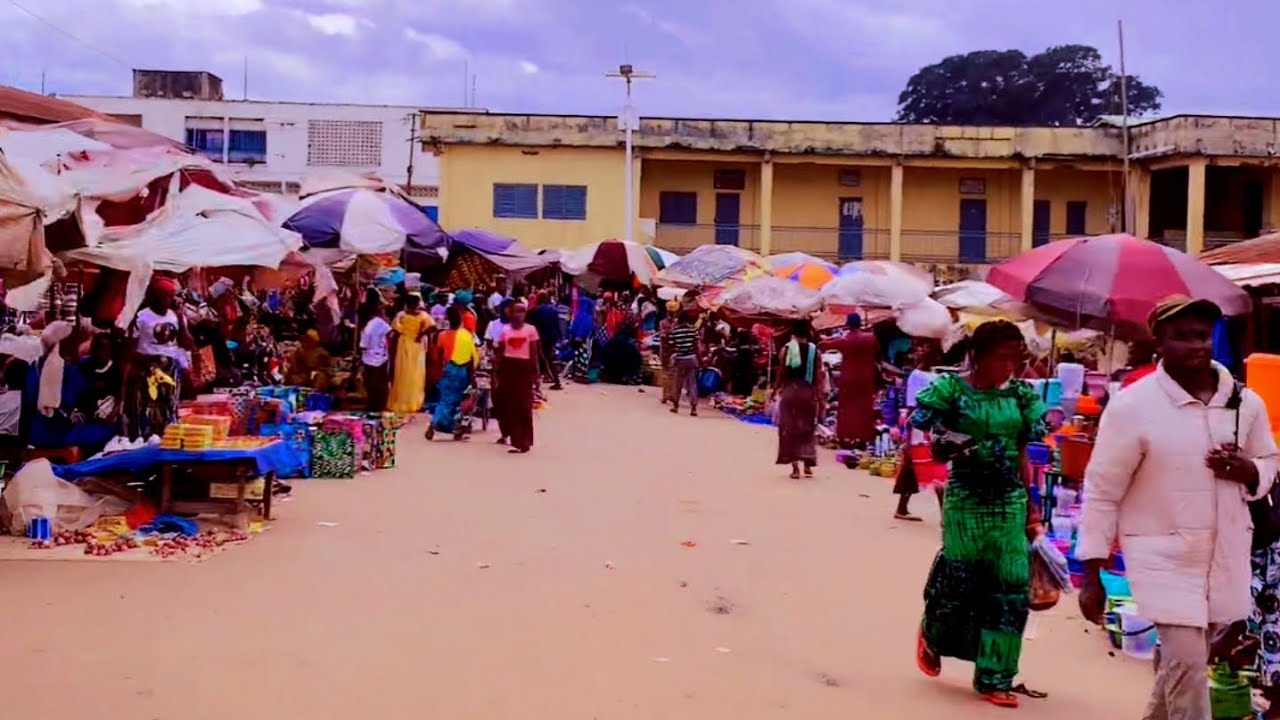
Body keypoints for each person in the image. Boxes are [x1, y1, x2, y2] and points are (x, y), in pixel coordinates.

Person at [1078, 296, 1277, 719]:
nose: (1196, 345)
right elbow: (1103, 490)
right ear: (1159, 342)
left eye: (1202, 336)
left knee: (1182, 666)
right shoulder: (1132, 407)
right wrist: (1091, 573)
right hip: (1162, 556)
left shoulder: (1245, 403)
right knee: (1187, 664)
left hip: (1225, 556)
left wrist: (1248, 471)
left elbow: (1269, 462)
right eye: (1182, 336)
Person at [913, 319, 1048, 708]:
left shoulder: (1021, 397)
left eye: (1015, 358)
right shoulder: (950, 390)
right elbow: (922, 429)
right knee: (961, 582)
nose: (1010, 366)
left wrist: (1032, 507)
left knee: (1010, 586)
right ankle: (933, 634)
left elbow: (1022, 453)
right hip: (966, 500)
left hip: (1009, 500)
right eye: (1001, 358)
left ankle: (996, 677)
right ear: (979, 356)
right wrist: (947, 441)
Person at [123, 277, 192, 439]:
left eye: (169, 296)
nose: (166, 300)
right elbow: (131, 347)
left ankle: (168, 438)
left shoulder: (175, 316)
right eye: (162, 296)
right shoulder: (141, 317)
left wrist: (181, 320)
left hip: (171, 369)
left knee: (169, 406)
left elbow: (187, 344)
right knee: (147, 406)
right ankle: (145, 439)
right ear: (153, 297)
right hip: (147, 367)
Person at [774, 322, 826, 479]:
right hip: (808, 393)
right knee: (807, 427)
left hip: (790, 392)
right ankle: (808, 464)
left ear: (793, 334)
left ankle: (795, 468)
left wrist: (775, 389)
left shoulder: (787, 349)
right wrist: (820, 396)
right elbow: (818, 375)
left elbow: (782, 372)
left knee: (789, 428)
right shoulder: (815, 352)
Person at [819, 312, 879, 449]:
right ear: (860, 323)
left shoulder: (845, 340)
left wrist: (826, 340)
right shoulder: (870, 338)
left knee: (846, 409)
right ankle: (863, 437)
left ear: (847, 324)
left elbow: (823, 345)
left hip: (849, 378)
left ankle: (846, 437)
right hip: (866, 378)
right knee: (864, 408)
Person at [495, 300, 541, 454]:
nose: (520, 314)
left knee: (524, 405)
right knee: (511, 406)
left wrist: (536, 374)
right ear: (510, 313)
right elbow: (500, 354)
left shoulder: (531, 330)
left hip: (524, 368)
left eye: (523, 311)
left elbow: (534, 353)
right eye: (517, 311)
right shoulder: (505, 331)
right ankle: (516, 441)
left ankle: (526, 441)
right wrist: (496, 374)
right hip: (509, 368)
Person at [427, 305, 479, 438]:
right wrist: (472, 376)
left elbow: (436, 357)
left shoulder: (441, 335)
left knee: (445, 399)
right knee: (458, 401)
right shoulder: (466, 335)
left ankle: (442, 424)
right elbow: (472, 359)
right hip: (462, 371)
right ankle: (440, 424)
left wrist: (436, 374)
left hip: (447, 370)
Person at [388, 293, 433, 414]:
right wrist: (420, 334)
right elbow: (432, 327)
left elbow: (395, 331)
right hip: (414, 346)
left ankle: (407, 401)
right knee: (413, 373)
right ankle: (413, 401)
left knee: (405, 372)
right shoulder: (421, 315)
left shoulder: (402, 315)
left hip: (406, 345)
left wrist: (420, 334)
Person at [666, 309, 700, 416]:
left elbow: (671, 345)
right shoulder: (693, 330)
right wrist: (699, 359)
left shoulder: (675, 331)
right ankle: (693, 409)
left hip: (680, 359)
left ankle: (675, 406)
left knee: (678, 383)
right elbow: (696, 346)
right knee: (692, 384)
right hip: (692, 358)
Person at [360, 302, 392, 412]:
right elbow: (390, 334)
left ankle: (373, 406)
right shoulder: (381, 323)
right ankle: (381, 405)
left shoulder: (368, 328)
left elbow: (363, 346)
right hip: (383, 356)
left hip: (370, 359)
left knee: (372, 385)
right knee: (382, 383)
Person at [528, 292, 563, 390]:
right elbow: (557, 324)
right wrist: (560, 336)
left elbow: (532, 324)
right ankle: (552, 379)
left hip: (540, 337)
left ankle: (539, 381)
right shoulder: (554, 309)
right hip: (552, 337)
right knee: (548, 358)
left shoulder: (535, 310)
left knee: (540, 359)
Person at [657, 299, 680, 405]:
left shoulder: (678, 323)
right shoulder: (663, 323)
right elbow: (663, 335)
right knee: (666, 373)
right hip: (666, 351)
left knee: (673, 374)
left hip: (674, 351)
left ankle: (670, 394)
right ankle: (666, 395)